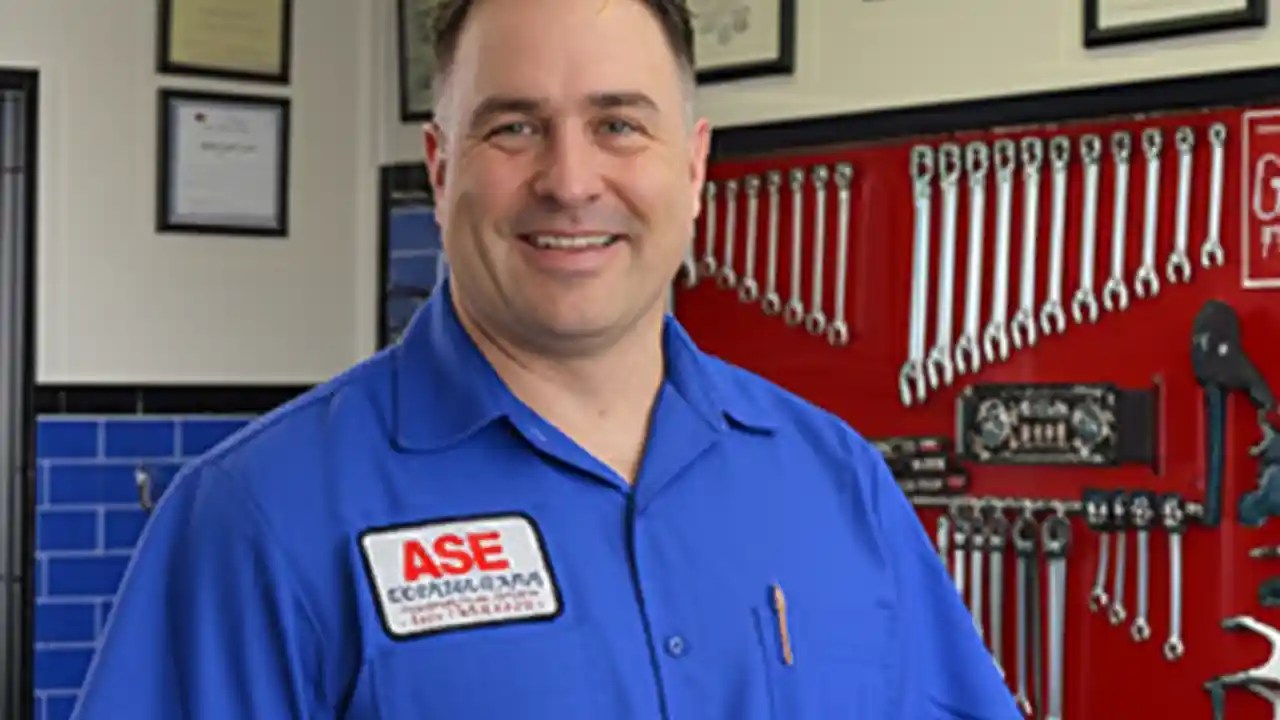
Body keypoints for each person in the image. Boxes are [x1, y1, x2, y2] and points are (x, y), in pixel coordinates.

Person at [70, 0, 1019, 717]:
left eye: (618, 124)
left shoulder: (835, 482)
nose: (570, 181)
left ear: (691, 169)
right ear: (441, 171)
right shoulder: (256, 519)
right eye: (515, 126)